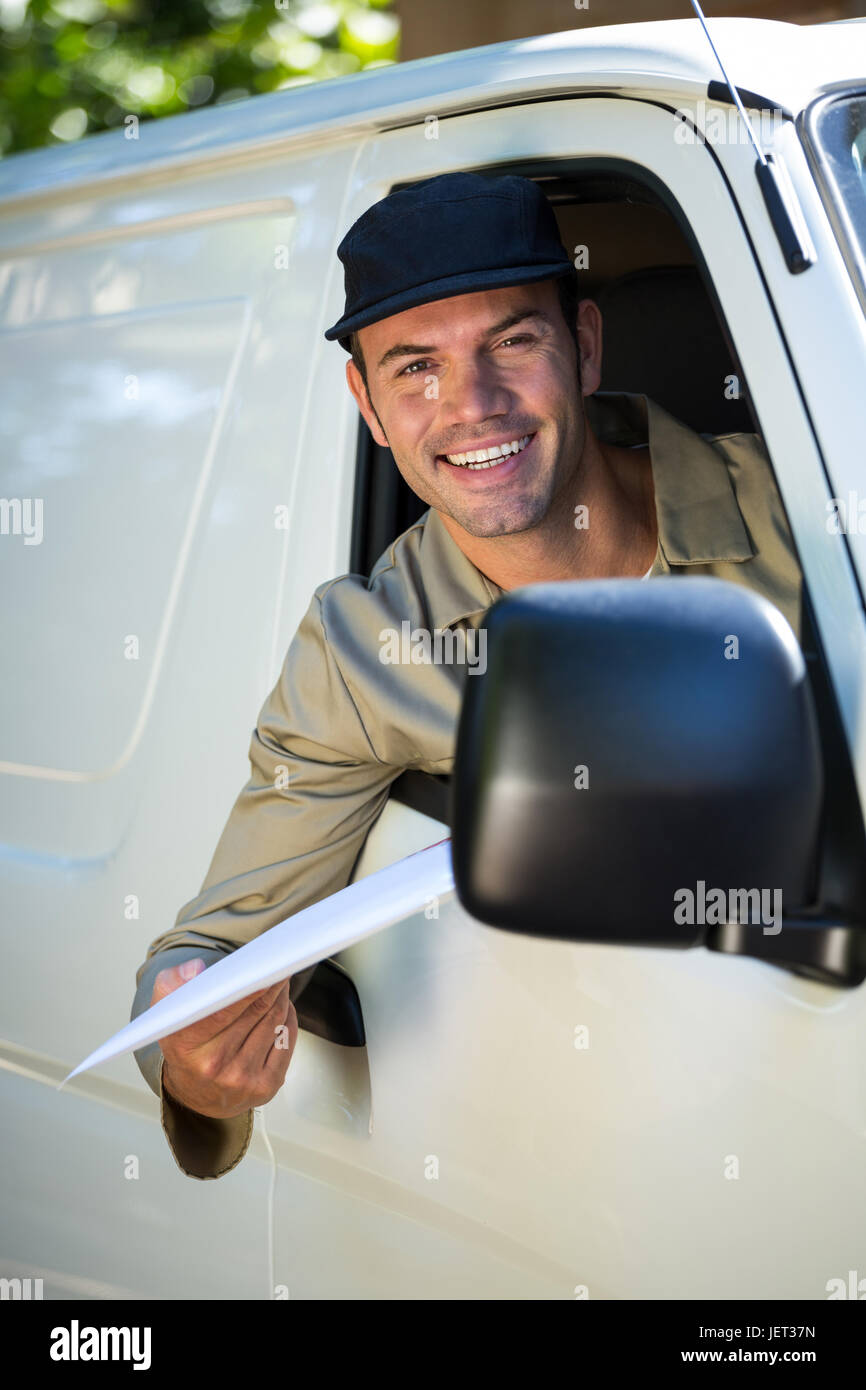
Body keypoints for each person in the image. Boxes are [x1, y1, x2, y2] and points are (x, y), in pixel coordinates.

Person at [130, 171, 801, 1179]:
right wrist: (195, 1063)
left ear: (581, 345)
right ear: (367, 403)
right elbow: (212, 950)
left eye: (510, 344)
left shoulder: (817, 508)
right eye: (415, 369)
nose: (470, 407)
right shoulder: (364, 649)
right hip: (603, 1158)